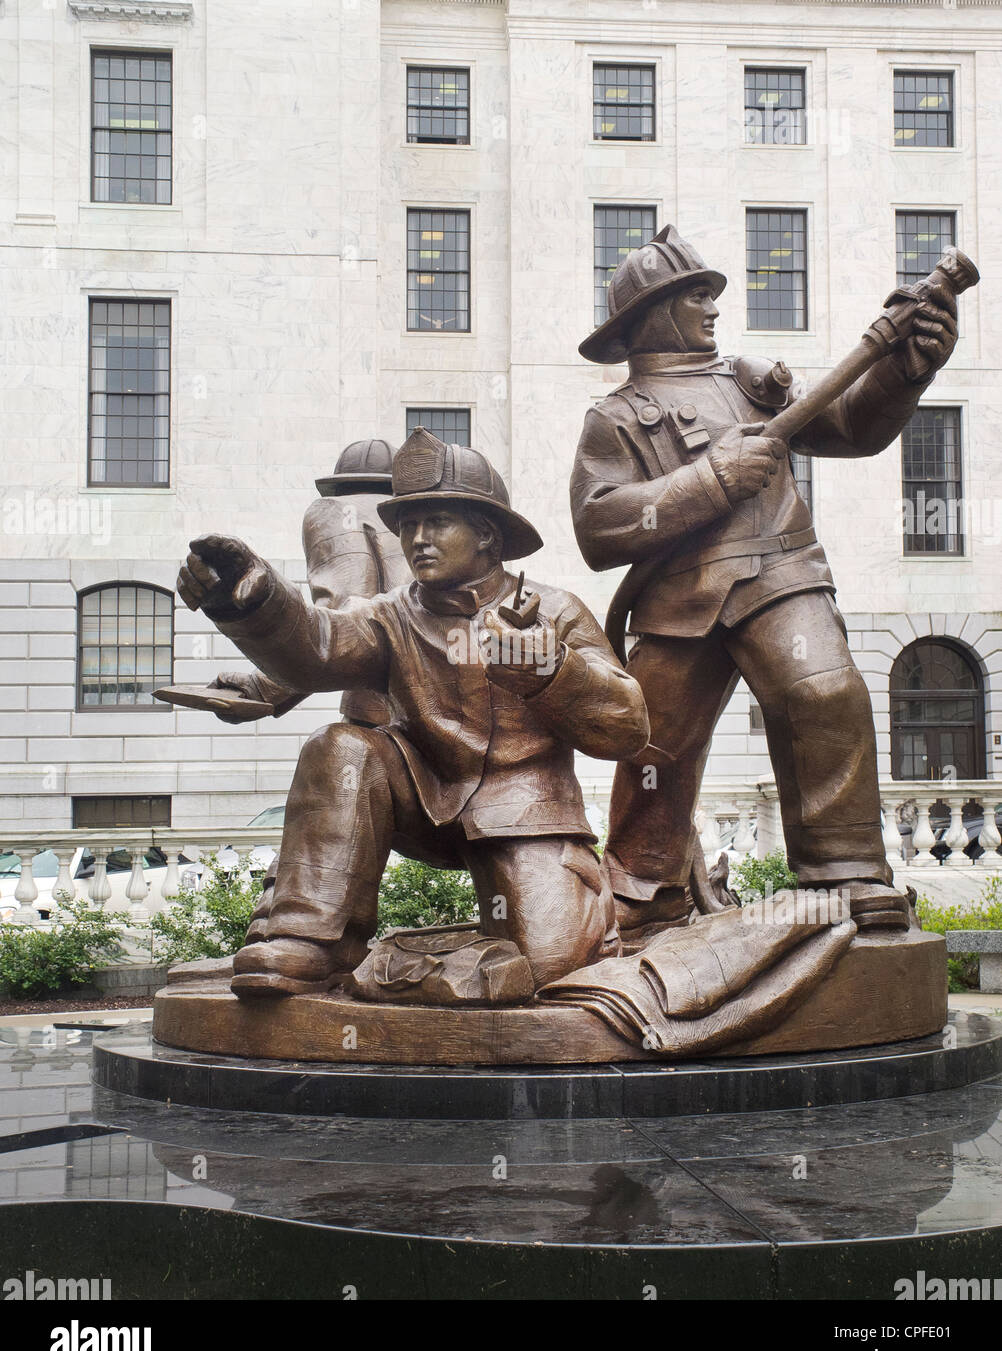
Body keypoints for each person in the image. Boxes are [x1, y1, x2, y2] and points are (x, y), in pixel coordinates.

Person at [571, 224, 959, 937]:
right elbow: (599, 529)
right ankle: (644, 893)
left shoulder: (749, 382)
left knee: (826, 693)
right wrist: (709, 480)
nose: (714, 308)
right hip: (677, 599)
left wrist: (907, 371)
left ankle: (846, 873)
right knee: (653, 746)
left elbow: (851, 428)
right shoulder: (616, 416)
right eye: (696, 296)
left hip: (779, 571)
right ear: (653, 314)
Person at [177, 428, 650, 997]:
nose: (417, 539)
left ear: (487, 536)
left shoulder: (554, 610)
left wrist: (552, 669)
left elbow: (627, 728)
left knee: (551, 974)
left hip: (525, 814)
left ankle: (426, 961)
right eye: (407, 526)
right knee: (341, 746)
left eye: (437, 523)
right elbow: (318, 647)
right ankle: (311, 943)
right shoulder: (389, 615)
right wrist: (250, 599)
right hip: (420, 796)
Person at [206, 437, 409, 729]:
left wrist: (265, 687)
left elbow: (337, 629)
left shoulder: (332, 511)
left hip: (378, 723)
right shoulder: (421, 519)